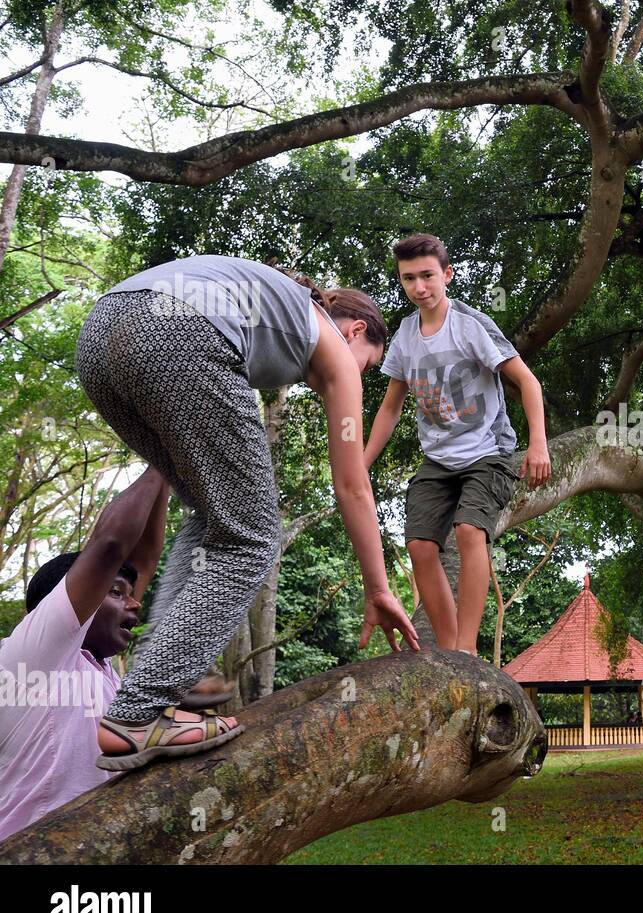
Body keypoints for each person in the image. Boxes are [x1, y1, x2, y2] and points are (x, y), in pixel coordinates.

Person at [74, 255, 420, 771]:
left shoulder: (275, 306)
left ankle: (166, 682)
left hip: (102, 336)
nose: (359, 376)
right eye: (369, 363)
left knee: (214, 514)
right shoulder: (332, 345)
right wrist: (378, 588)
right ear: (356, 330)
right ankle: (139, 710)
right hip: (179, 335)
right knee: (254, 536)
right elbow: (351, 483)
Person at [363, 234, 550, 655]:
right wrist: (362, 463)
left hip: (488, 452)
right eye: (409, 278)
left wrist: (538, 444)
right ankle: (448, 651)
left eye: (428, 275)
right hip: (438, 460)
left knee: (468, 530)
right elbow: (390, 409)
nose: (419, 287)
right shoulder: (406, 335)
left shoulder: (471, 325)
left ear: (447, 275)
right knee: (419, 545)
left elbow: (527, 381)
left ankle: (466, 651)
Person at [0, 467, 170, 838]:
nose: (135, 604)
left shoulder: (103, 670)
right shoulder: (32, 656)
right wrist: (161, 453)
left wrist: (167, 466)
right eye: (116, 592)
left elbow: (140, 561)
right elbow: (109, 546)